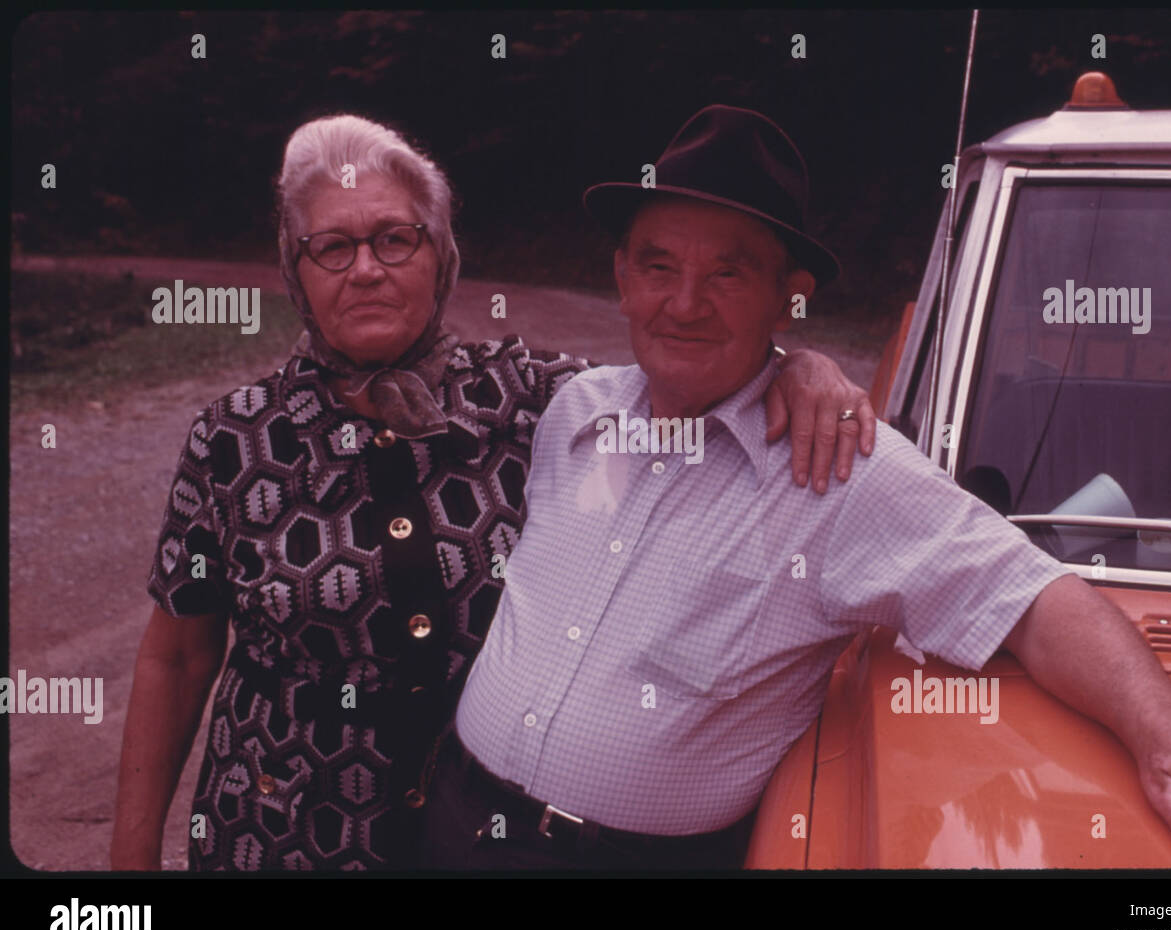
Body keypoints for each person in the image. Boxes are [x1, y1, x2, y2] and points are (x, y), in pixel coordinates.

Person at [420, 104, 1171, 871]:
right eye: (657, 267)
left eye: (728, 274)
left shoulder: (840, 472)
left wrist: (1170, 732)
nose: (683, 303)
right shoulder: (574, 411)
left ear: (787, 300)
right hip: (450, 819)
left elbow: (1033, 598)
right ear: (621, 278)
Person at [108, 113, 878, 871]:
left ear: (441, 257)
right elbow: (176, 661)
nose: (366, 269)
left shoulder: (543, 403)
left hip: (477, 846)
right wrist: (130, 857)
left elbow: (692, 361)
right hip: (280, 841)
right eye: (332, 247)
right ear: (296, 271)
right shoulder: (234, 441)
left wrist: (797, 365)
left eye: (394, 238)